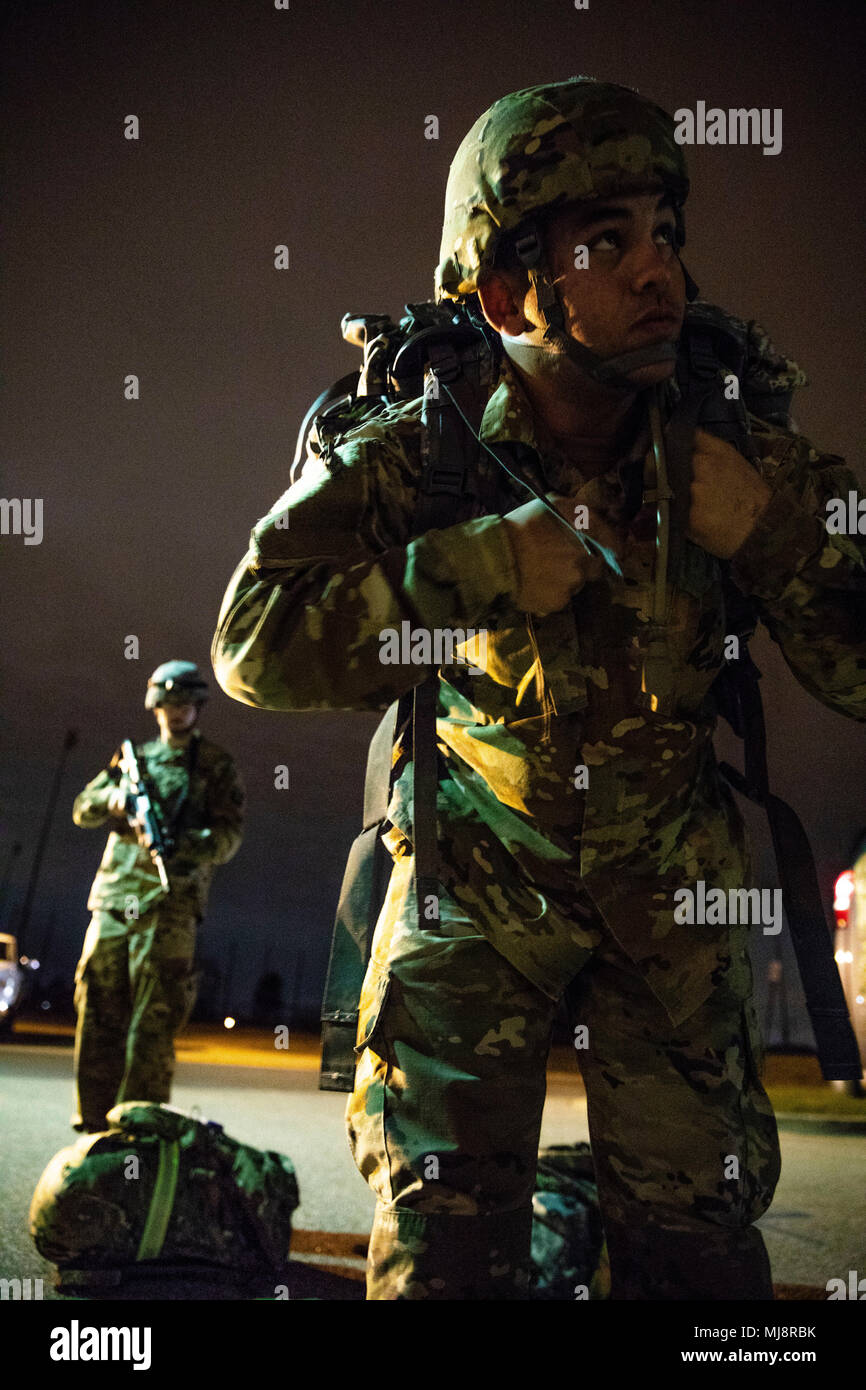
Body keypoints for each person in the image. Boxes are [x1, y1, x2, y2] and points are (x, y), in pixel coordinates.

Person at [211, 78, 866, 1299]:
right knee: (446, 1247)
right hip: (474, 883)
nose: (655, 271)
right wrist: (471, 568)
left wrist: (771, 535)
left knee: (698, 1246)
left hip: (671, 895)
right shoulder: (425, 446)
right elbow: (253, 642)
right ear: (511, 289)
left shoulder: (733, 447)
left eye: (662, 235)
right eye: (602, 245)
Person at [71, 660, 244, 1132]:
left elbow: (229, 838)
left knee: (154, 1020)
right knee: (98, 1009)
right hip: (114, 899)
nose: (176, 712)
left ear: (197, 707)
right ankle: (93, 1123)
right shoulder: (132, 760)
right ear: (156, 707)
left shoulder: (215, 765)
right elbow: (82, 810)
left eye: (185, 703)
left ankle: (139, 1129)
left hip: (171, 906)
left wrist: (183, 842)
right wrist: (116, 799)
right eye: (168, 703)